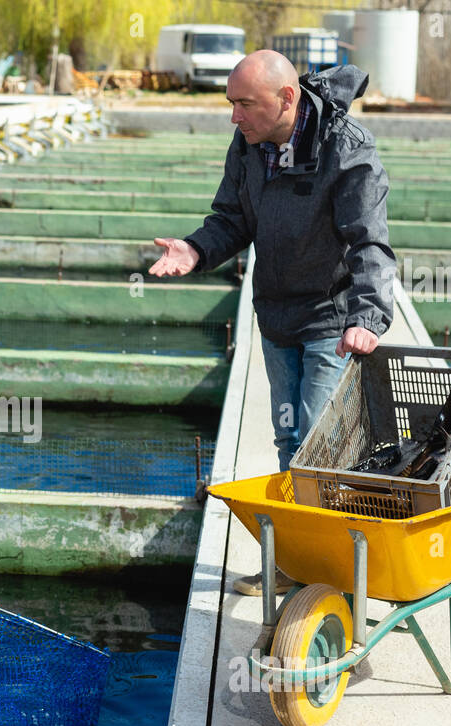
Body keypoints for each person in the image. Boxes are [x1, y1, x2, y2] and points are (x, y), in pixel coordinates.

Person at [149, 51, 396, 595]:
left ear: (286, 99)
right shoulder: (250, 144)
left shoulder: (346, 148)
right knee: (288, 439)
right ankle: (294, 561)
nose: (234, 117)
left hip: (332, 321)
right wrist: (195, 249)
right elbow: (232, 219)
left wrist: (368, 316)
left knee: (315, 441)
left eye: (244, 104)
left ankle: (334, 571)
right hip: (276, 314)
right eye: (231, 104)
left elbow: (369, 242)